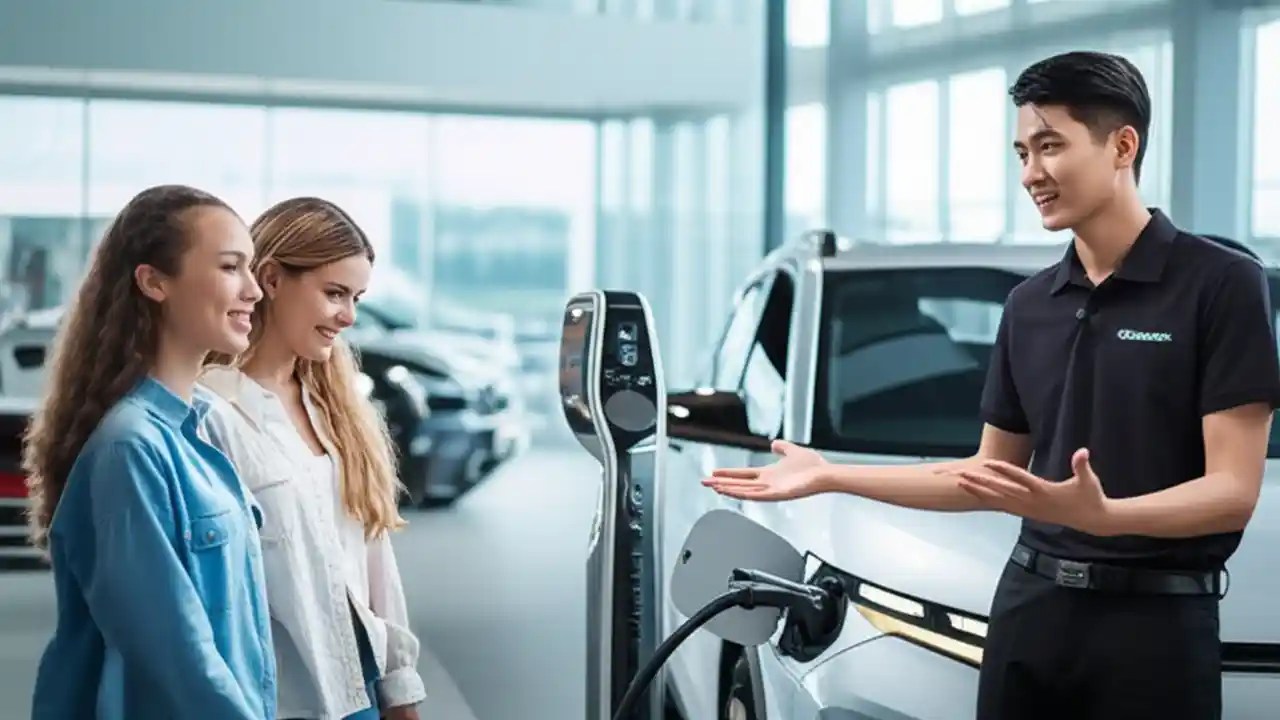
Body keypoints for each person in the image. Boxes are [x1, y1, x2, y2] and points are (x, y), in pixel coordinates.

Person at [704, 50, 1280, 719]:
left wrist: (1106, 517)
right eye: (1021, 153)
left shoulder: (1220, 284)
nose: (1032, 173)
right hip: (1030, 611)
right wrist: (832, 475)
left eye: (1050, 146)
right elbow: (983, 475)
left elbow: (1232, 494)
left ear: (1123, 145)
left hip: (1155, 625)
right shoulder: (1031, 305)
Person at [23, 184, 275, 719]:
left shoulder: (198, 428)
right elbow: (175, 657)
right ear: (154, 281)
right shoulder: (130, 447)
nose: (254, 290)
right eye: (231, 267)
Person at [199, 197, 426, 720]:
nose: (348, 316)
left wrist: (400, 690)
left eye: (357, 298)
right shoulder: (212, 412)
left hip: (359, 689)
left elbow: (373, 557)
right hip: (278, 699)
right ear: (272, 280)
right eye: (334, 294)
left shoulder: (339, 408)